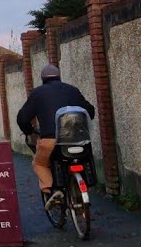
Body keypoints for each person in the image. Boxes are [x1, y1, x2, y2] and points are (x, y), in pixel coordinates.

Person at [17, 64, 96, 208]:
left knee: (39, 163)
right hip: (78, 140)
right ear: (59, 77)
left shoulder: (38, 93)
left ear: (43, 79)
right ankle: (84, 185)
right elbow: (90, 111)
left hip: (51, 140)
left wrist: (28, 130)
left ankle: (53, 190)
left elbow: (22, 118)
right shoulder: (72, 90)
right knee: (83, 158)